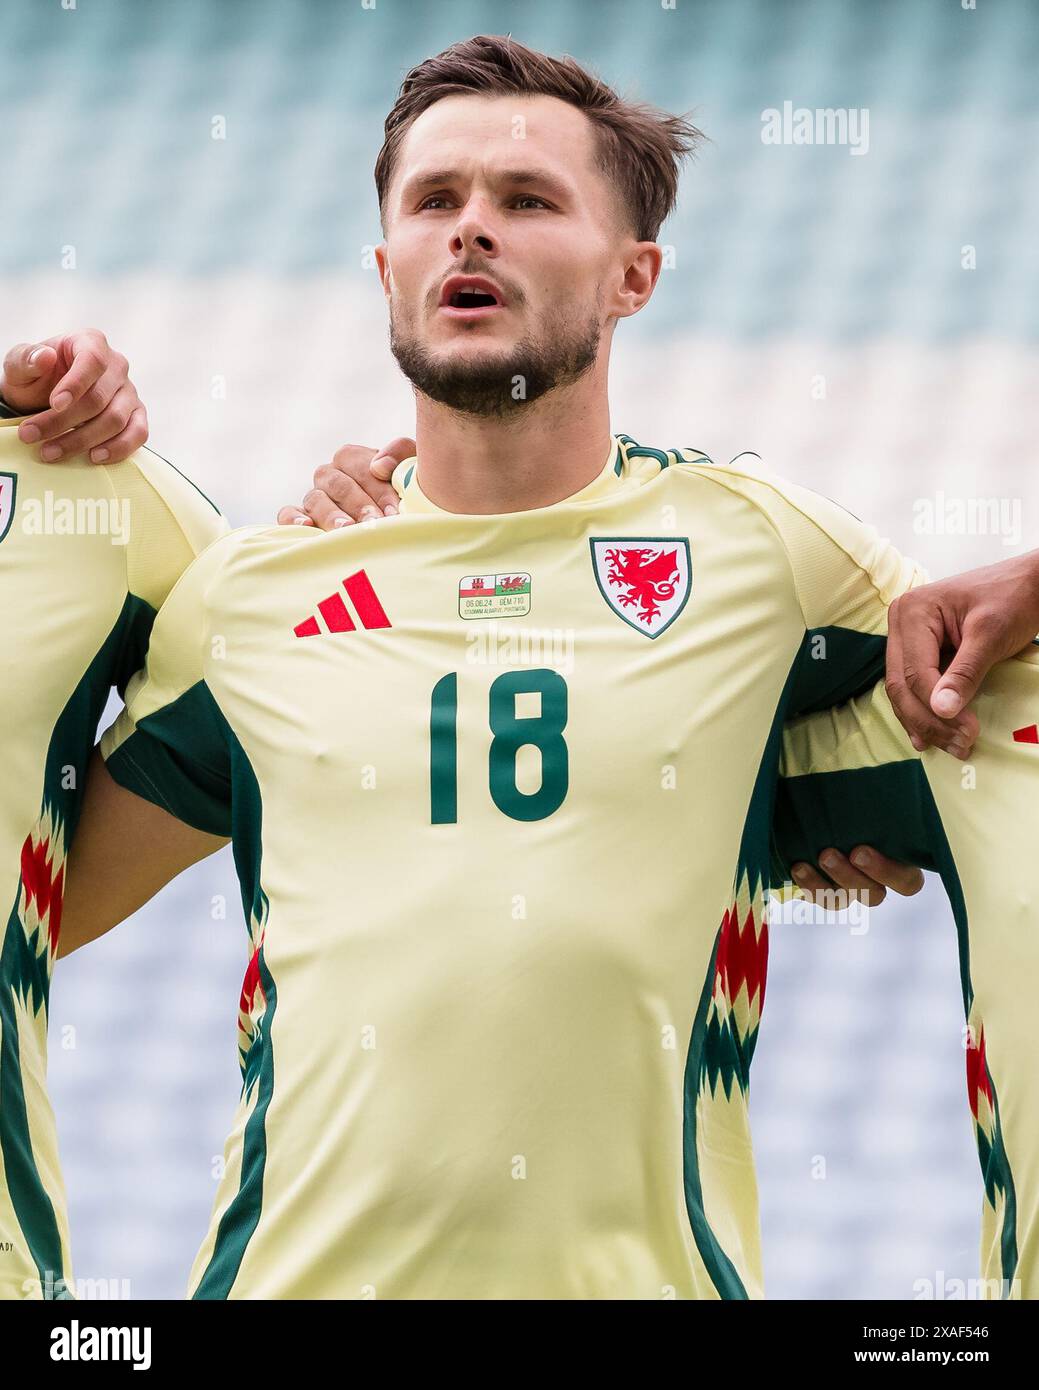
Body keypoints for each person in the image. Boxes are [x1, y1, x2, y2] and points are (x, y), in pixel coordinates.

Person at [49, 36, 1039, 1300]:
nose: (471, 231)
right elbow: (46, 904)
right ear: (385, 265)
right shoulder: (251, 598)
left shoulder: (765, 549)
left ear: (635, 275)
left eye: (525, 202)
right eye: (434, 202)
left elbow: (954, 705)